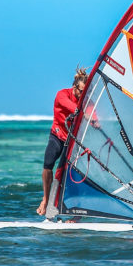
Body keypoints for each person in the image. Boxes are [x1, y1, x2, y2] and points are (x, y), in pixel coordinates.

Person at [37, 66, 88, 216]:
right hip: (57, 136)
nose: (81, 95)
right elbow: (71, 107)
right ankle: (46, 200)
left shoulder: (84, 100)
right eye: (80, 91)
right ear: (74, 87)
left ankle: (70, 210)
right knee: (48, 165)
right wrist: (82, 110)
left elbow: (92, 113)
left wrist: (96, 121)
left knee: (66, 174)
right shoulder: (62, 95)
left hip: (71, 141)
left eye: (84, 92)